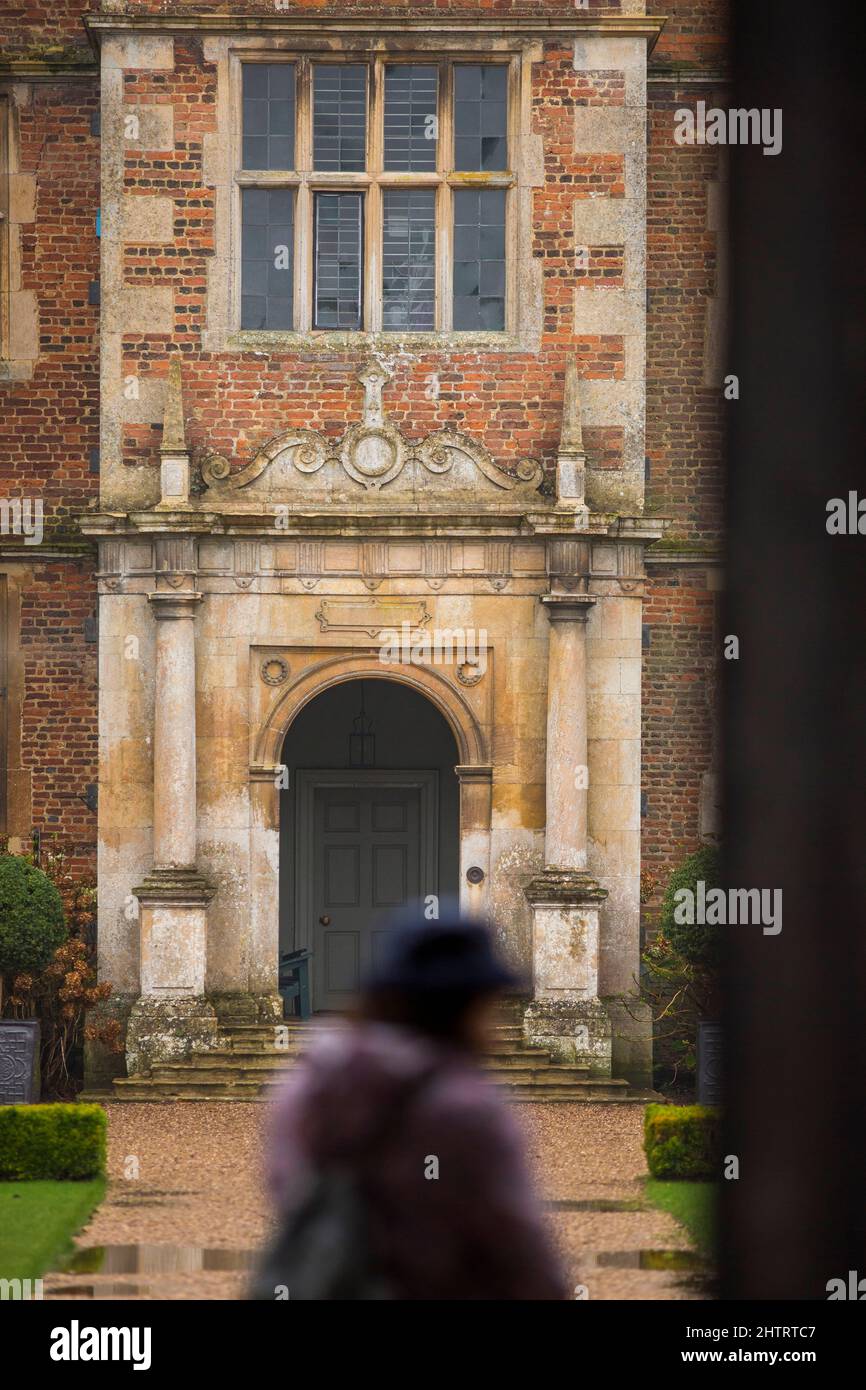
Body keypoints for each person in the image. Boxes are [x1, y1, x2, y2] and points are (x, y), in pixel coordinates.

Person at [263, 903, 567, 1300]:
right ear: (470, 1006)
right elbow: (516, 1239)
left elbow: (289, 1187)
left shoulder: (308, 1086)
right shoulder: (467, 1108)